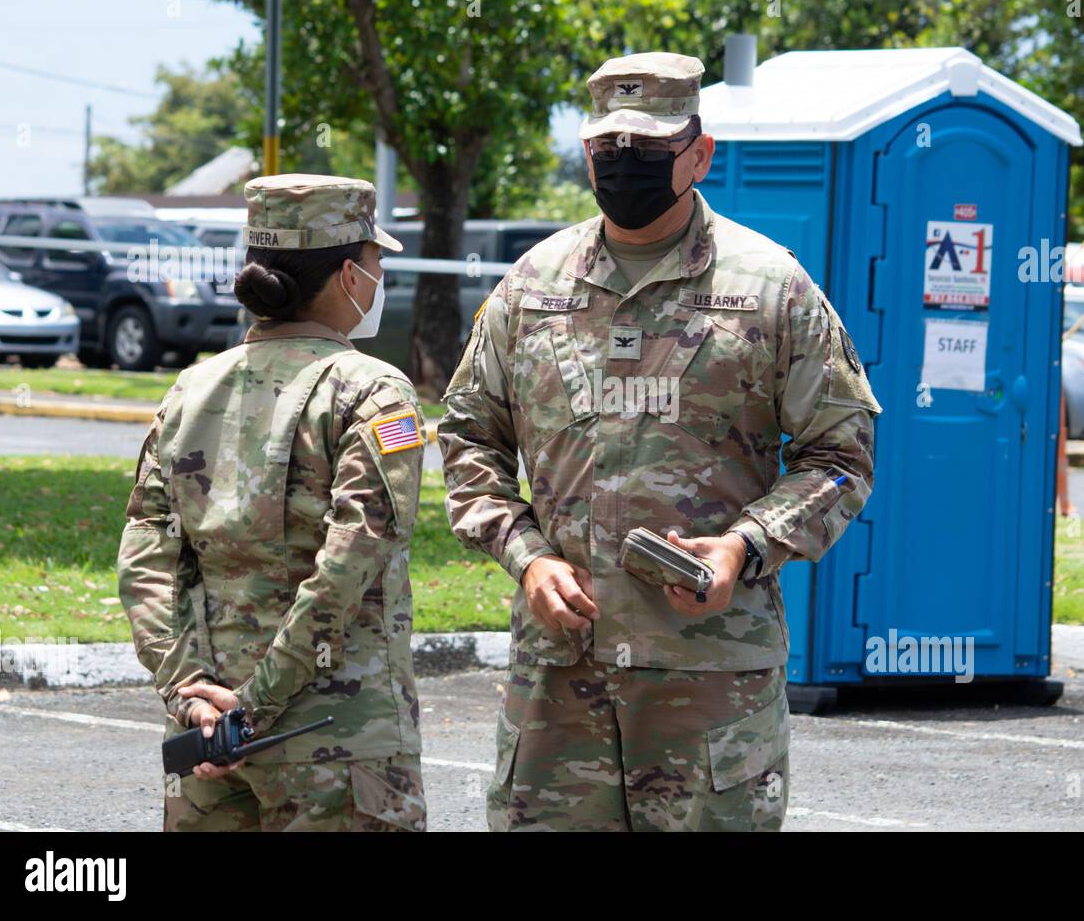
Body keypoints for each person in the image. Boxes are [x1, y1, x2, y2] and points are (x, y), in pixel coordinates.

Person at [438, 53, 882, 831]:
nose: (624, 167)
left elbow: (840, 458)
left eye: (647, 152)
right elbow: (468, 439)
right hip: (559, 684)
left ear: (700, 153)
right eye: (609, 152)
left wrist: (744, 546)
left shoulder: (772, 287)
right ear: (587, 154)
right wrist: (528, 556)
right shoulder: (531, 285)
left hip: (709, 685)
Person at [117, 173, 427, 831]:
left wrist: (192, 695)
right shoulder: (374, 391)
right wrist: (256, 703)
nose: (379, 279)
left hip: (211, 742)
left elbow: (145, 561)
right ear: (349, 275)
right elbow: (353, 559)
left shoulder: (190, 390)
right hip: (337, 744)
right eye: (376, 263)